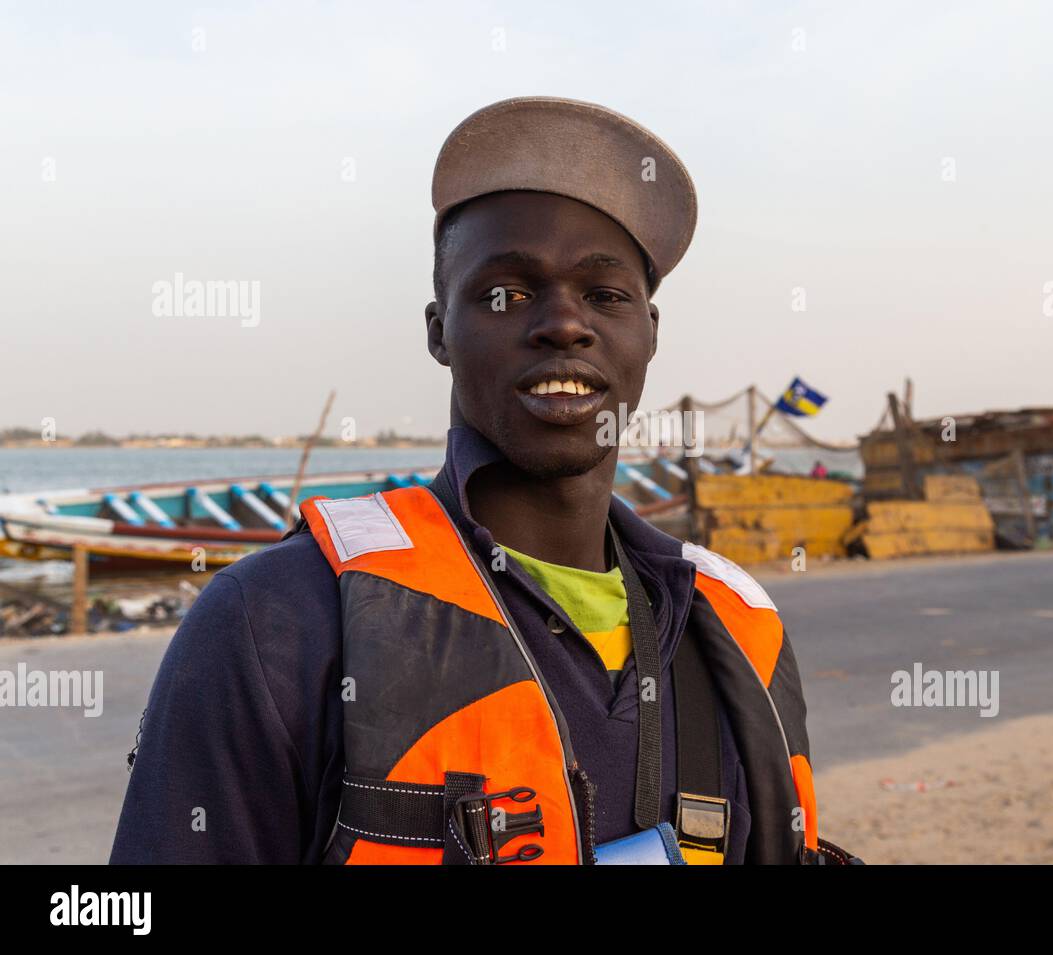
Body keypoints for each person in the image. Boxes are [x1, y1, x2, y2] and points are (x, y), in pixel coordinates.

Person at [110, 96, 857, 865]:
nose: (565, 323)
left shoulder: (740, 629)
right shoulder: (277, 620)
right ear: (439, 331)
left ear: (650, 333)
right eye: (508, 293)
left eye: (605, 295)